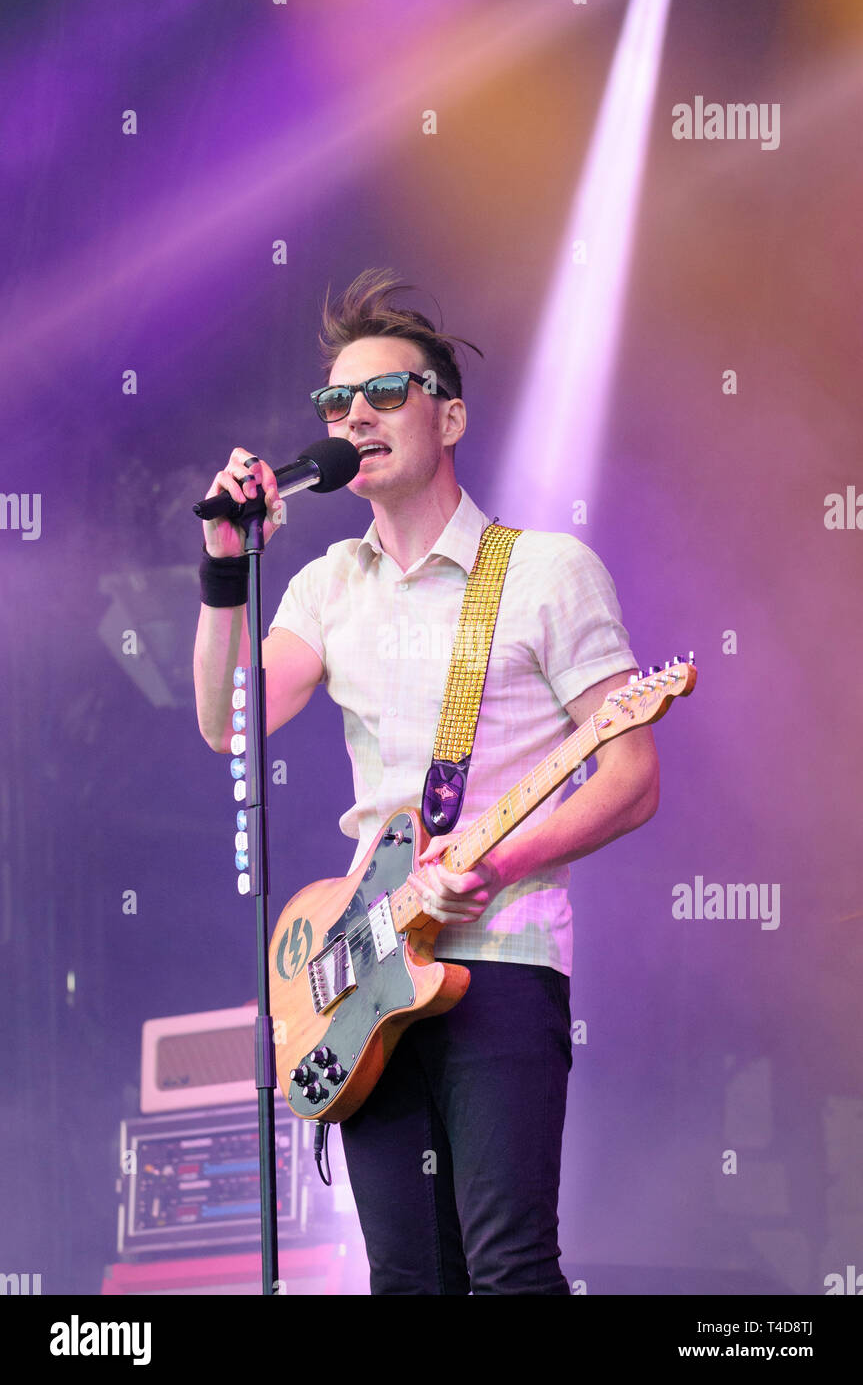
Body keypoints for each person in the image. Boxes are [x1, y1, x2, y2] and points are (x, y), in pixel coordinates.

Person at [193, 268, 660, 1295]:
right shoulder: (322, 585)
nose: (352, 415)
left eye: (383, 393)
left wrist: (500, 864)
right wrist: (227, 567)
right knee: (405, 1279)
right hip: (361, 975)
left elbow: (629, 775)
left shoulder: (543, 571)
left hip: (498, 956)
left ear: (447, 414)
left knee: (507, 1267)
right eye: (332, 403)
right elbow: (232, 722)